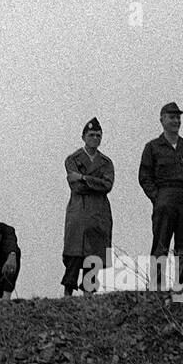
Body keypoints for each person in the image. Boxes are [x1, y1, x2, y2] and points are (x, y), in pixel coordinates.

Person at [138, 102, 183, 289]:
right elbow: (145, 176)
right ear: (162, 120)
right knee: (161, 243)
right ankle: (157, 285)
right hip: (164, 197)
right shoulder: (153, 147)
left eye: (178, 117)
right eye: (172, 117)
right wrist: (157, 197)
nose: (176, 121)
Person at [62, 117, 115, 295]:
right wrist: (94, 183)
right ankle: (67, 293)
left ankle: (88, 294)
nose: (95, 139)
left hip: (99, 213)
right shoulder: (72, 159)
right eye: (91, 135)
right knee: (74, 254)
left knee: (94, 253)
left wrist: (84, 178)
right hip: (79, 210)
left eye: (98, 136)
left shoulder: (106, 162)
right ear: (83, 136)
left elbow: (107, 185)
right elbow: (75, 186)